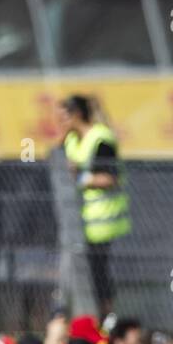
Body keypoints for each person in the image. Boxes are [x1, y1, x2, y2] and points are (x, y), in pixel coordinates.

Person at [59, 94, 128, 320]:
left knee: (99, 273)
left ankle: (106, 318)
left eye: (64, 117)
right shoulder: (71, 140)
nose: (61, 123)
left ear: (77, 114)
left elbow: (110, 178)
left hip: (103, 221)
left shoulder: (100, 139)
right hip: (79, 223)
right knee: (83, 274)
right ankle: (86, 318)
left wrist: (78, 180)